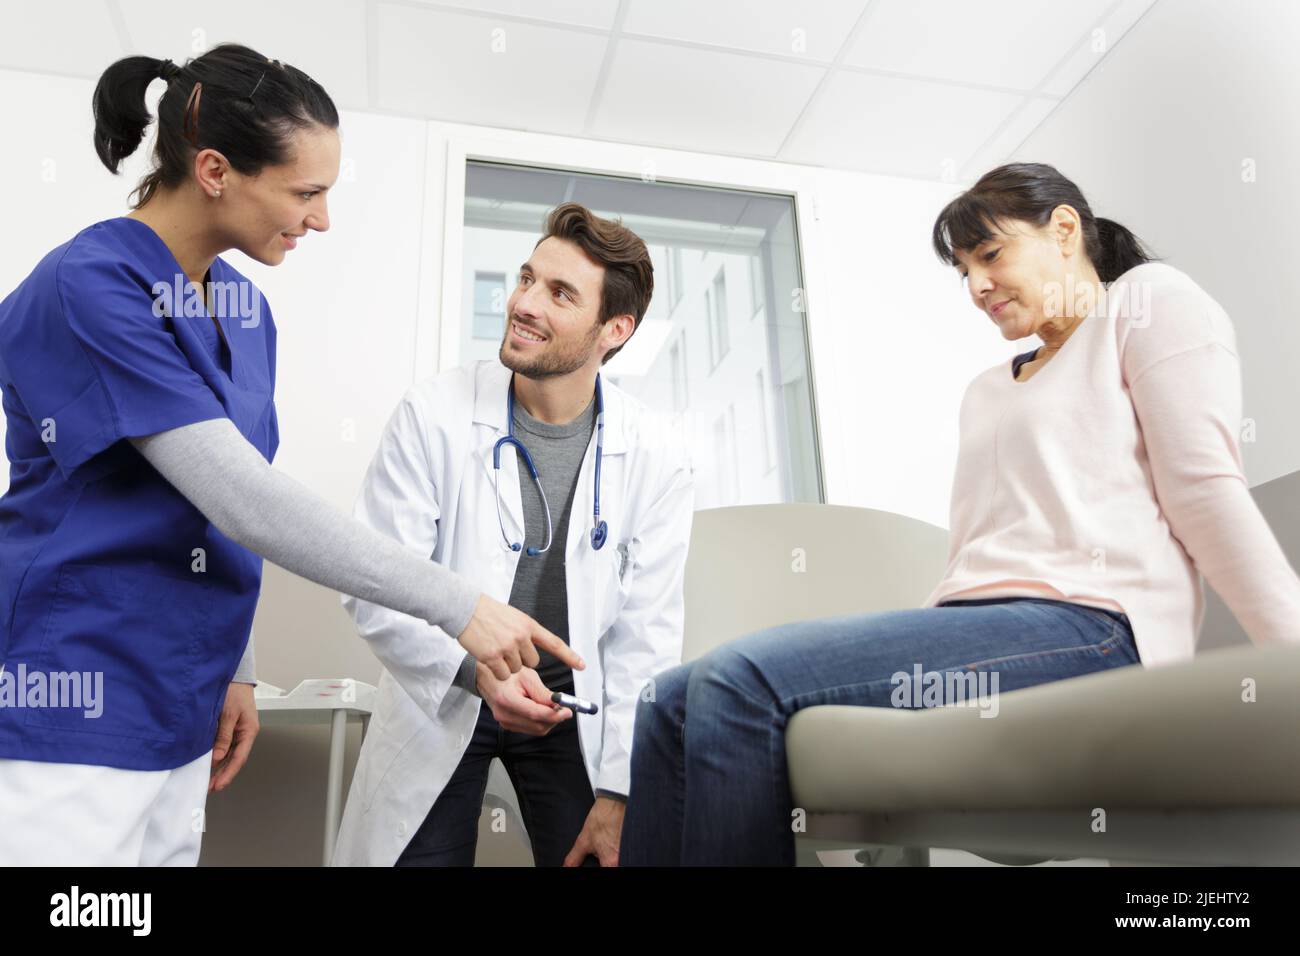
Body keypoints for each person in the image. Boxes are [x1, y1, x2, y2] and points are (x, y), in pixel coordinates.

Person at [619, 161, 1300, 866]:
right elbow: (973, 559)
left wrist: (1291, 653)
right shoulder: (986, 390)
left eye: (991, 255)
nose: (976, 286)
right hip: (981, 627)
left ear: (1064, 229)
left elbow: (1205, 489)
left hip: (1097, 627)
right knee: (667, 700)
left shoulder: (1145, 303)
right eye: (964, 270)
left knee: (739, 678)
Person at [0, 44, 578, 867]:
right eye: (306, 193)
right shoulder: (90, 284)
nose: (321, 219)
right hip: (76, 690)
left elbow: (233, 505)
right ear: (213, 170)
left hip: (180, 697)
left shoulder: (243, 309)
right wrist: (460, 605)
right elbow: (237, 495)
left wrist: (235, 666)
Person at [331, 203, 694, 867]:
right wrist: (475, 672)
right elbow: (375, 583)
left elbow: (647, 634)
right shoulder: (434, 413)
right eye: (527, 279)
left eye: (559, 293)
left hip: (569, 712)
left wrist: (619, 789)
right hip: (447, 687)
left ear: (615, 328)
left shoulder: (658, 454)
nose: (523, 302)